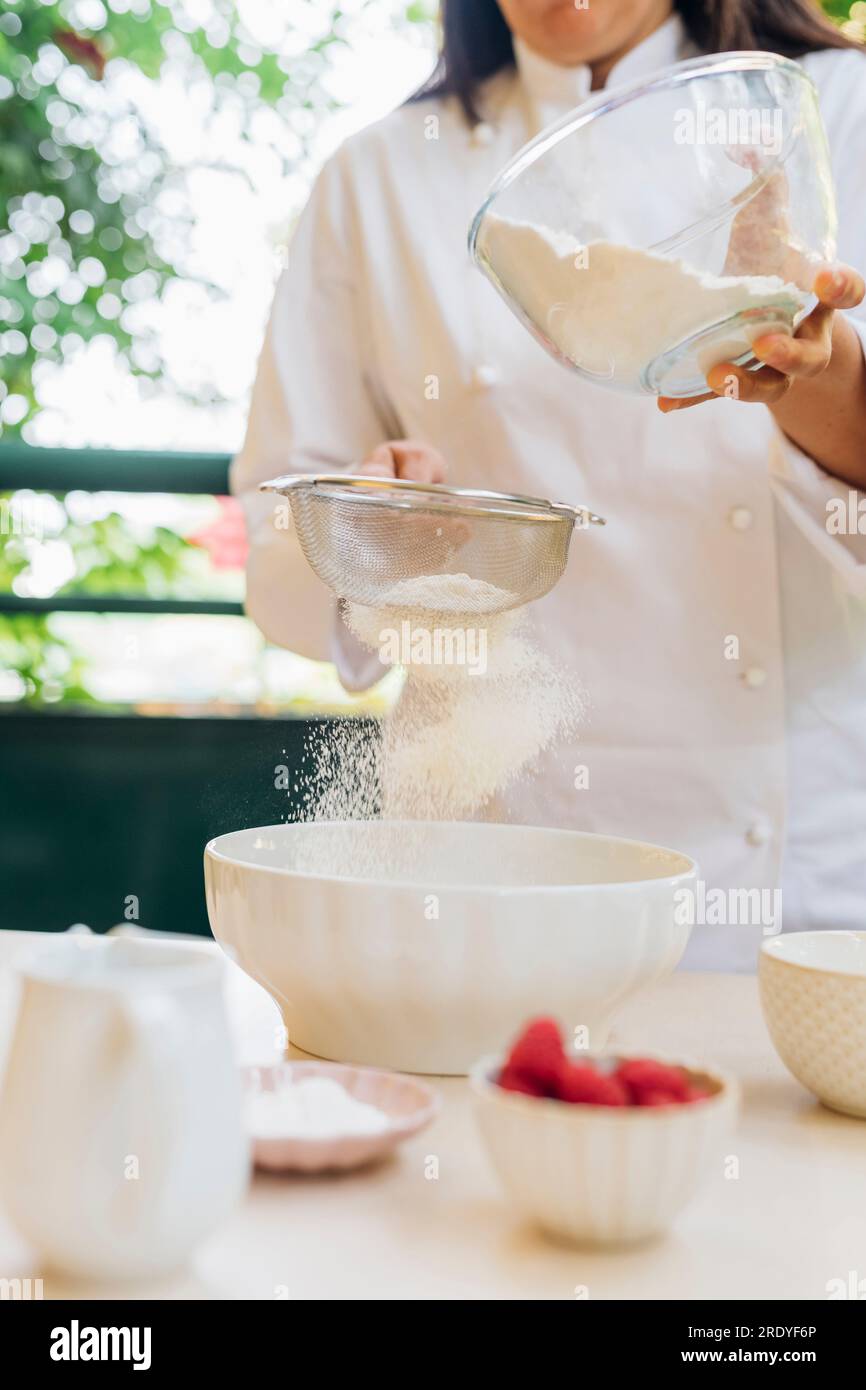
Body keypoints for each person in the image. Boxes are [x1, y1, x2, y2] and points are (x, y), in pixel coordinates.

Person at [231, 0, 866, 969]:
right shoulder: (382, 174)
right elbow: (279, 536)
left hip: (796, 883)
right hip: (491, 854)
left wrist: (820, 380)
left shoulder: (839, 108)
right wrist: (373, 532)